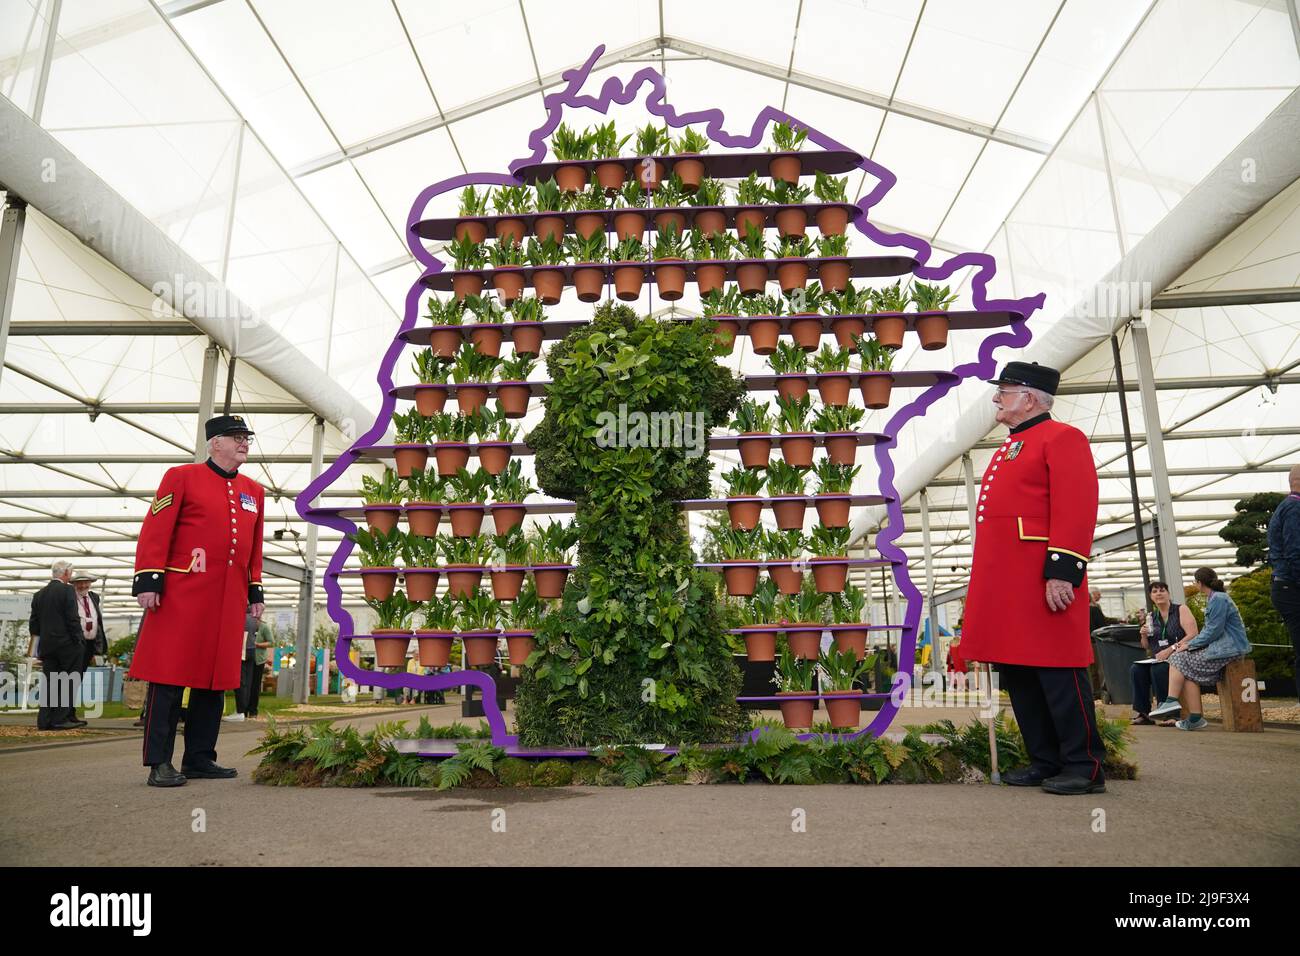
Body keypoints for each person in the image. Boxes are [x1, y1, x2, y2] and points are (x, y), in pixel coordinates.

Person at [959, 361, 1105, 795]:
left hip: (1042, 574)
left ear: (1028, 396)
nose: (996, 398)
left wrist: (1062, 572)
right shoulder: (1011, 446)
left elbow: (1076, 506)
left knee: (1058, 668)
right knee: (1019, 669)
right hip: (1009, 579)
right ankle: (1045, 760)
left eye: (1003, 391)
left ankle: (1084, 765)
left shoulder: (1063, 438)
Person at [130, 414, 265, 787]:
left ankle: (200, 758)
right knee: (169, 677)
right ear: (214, 443)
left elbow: (254, 547)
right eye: (235, 437)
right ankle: (159, 762)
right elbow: (155, 529)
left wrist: (255, 588)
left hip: (227, 600)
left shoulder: (254, 491)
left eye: (246, 437)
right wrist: (148, 579)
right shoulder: (181, 477)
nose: (244, 443)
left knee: (214, 680)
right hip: (182, 594)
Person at [1150, 567, 1251, 729]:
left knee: (1177, 657)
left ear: (1199, 583)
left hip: (1230, 648)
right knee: (1184, 665)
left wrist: (1190, 644)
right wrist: (1188, 645)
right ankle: (1195, 717)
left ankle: (1171, 701)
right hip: (1224, 646)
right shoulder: (1216, 597)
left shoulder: (1218, 599)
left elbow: (1213, 630)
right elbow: (1211, 630)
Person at [29, 560, 87, 730]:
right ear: (67, 574)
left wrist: (39, 645)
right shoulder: (67, 590)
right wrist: (79, 640)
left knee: (50, 683)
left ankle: (44, 720)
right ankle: (60, 719)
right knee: (68, 681)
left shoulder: (39, 594)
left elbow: (34, 624)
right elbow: (72, 617)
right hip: (67, 645)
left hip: (47, 646)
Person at [1130, 581, 1198, 725]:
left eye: (1162, 590)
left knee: (1159, 669)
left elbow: (1193, 634)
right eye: (1154, 591)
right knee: (1136, 669)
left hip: (1180, 656)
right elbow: (1147, 646)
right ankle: (1144, 713)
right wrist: (1142, 635)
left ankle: (1168, 713)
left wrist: (1170, 649)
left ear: (1168, 594)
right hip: (1159, 658)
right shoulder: (1151, 617)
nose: (1159, 593)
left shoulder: (1181, 609)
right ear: (1151, 596)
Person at [1267, 465, 1300, 693]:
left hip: (1285, 585)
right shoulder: (1294, 508)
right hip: (1292, 585)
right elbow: (1295, 551)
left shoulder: (1286, 506)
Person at [225, 608, 273, 722]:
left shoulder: (242, 618)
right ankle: (245, 710)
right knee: (249, 682)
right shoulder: (254, 620)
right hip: (252, 651)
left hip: (246, 652)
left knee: (243, 682)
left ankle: (242, 710)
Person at [71, 572, 108, 672]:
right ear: (74, 584)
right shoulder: (70, 598)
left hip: (91, 644)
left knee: (82, 672)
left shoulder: (94, 597)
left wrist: (98, 648)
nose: (83, 586)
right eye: (80, 583)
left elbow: (97, 621)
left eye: (86, 582)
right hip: (76, 643)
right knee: (73, 672)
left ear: (90, 583)